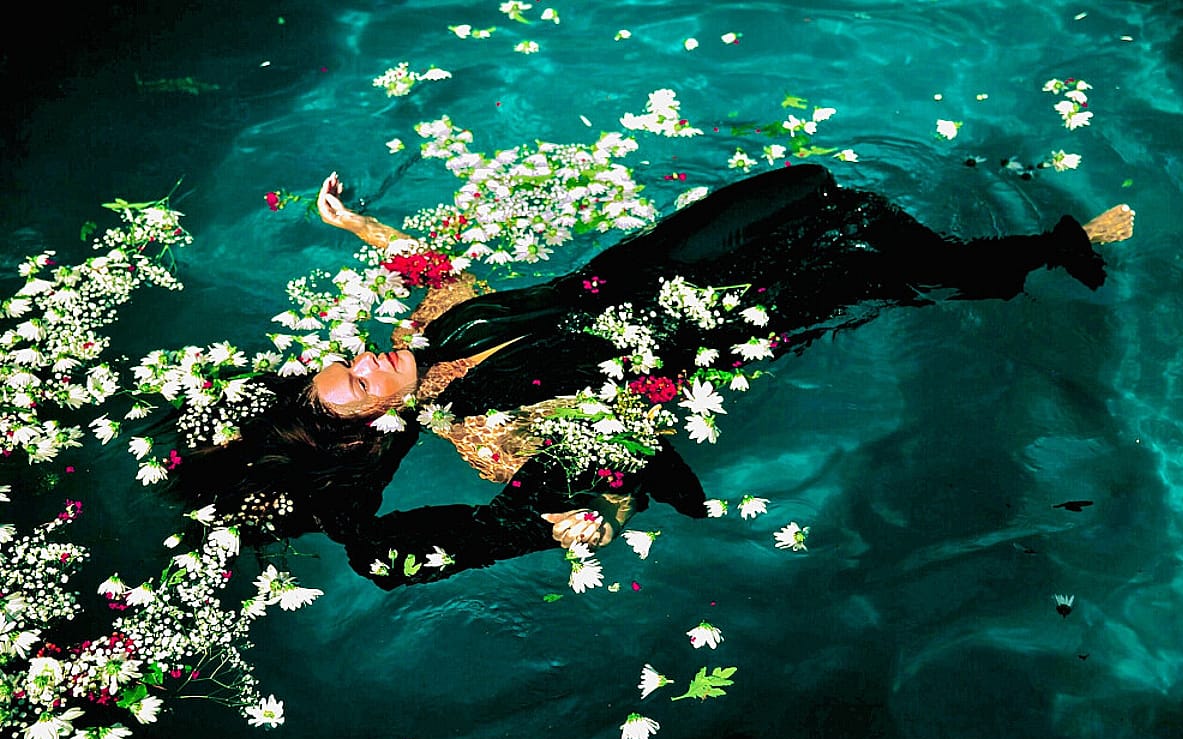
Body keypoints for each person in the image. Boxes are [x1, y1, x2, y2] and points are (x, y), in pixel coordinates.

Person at [168, 164, 1133, 589]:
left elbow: (427, 263)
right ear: (376, 423)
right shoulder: (470, 423)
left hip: (659, 272)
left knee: (835, 198)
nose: (366, 361)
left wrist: (353, 227)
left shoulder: (430, 321)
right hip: (703, 340)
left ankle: (985, 262)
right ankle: (1050, 251)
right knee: (869, 262)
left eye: (344, 361)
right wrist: (585, 521)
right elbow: (590, 466)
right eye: (361, 384)